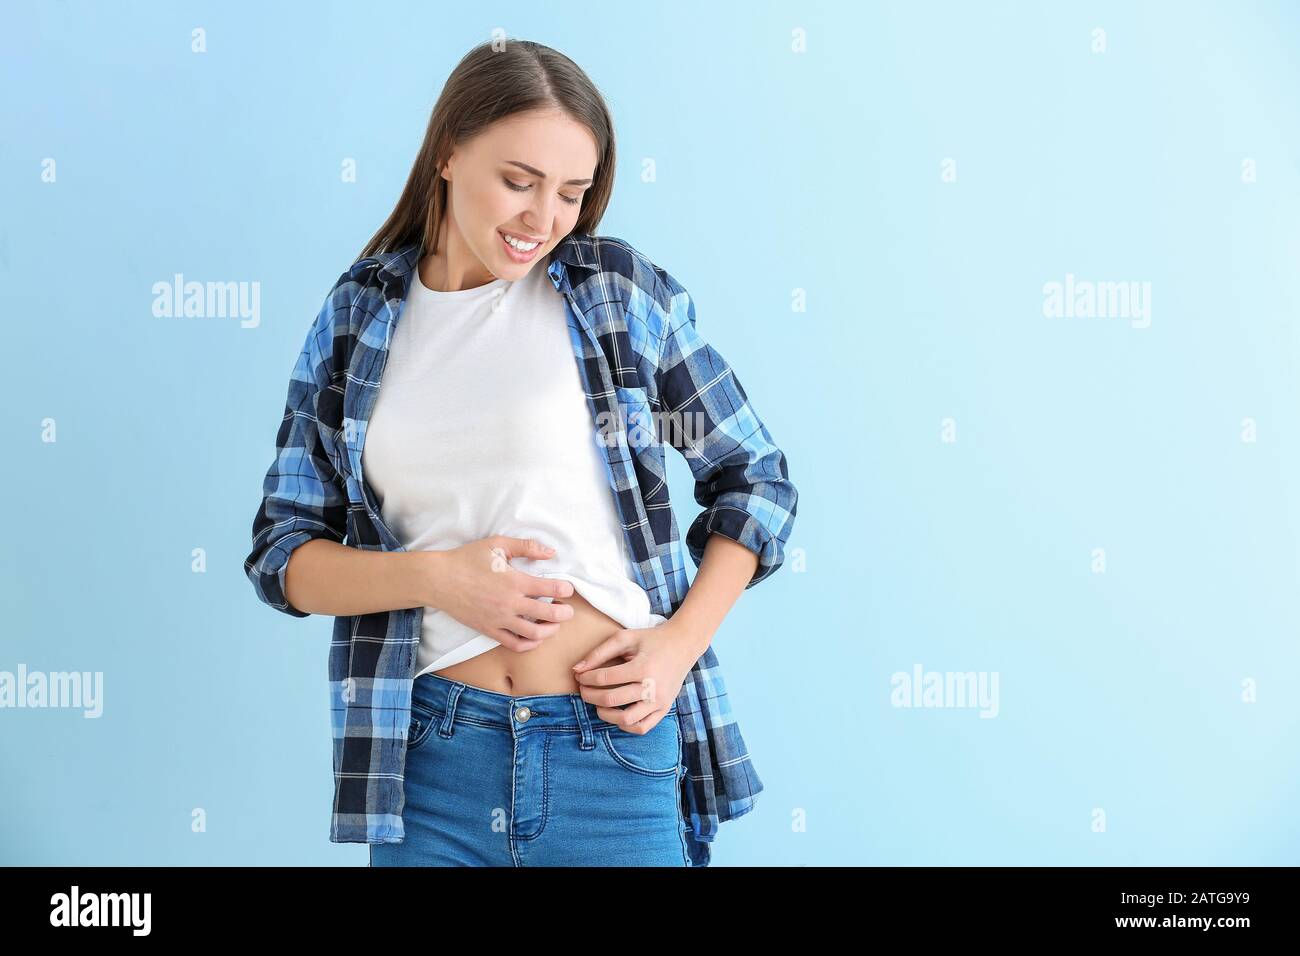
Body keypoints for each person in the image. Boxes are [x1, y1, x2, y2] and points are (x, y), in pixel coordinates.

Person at [244, 38, 798, 867]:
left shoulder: (615, 296)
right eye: (518, 181)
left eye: (572, 193)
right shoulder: (359, 318)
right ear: (447, 153)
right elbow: (282, 555)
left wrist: (676, 647)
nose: (544, 219)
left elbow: (755, 480)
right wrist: (438, 576)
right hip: (433, 766)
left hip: (609, 756)